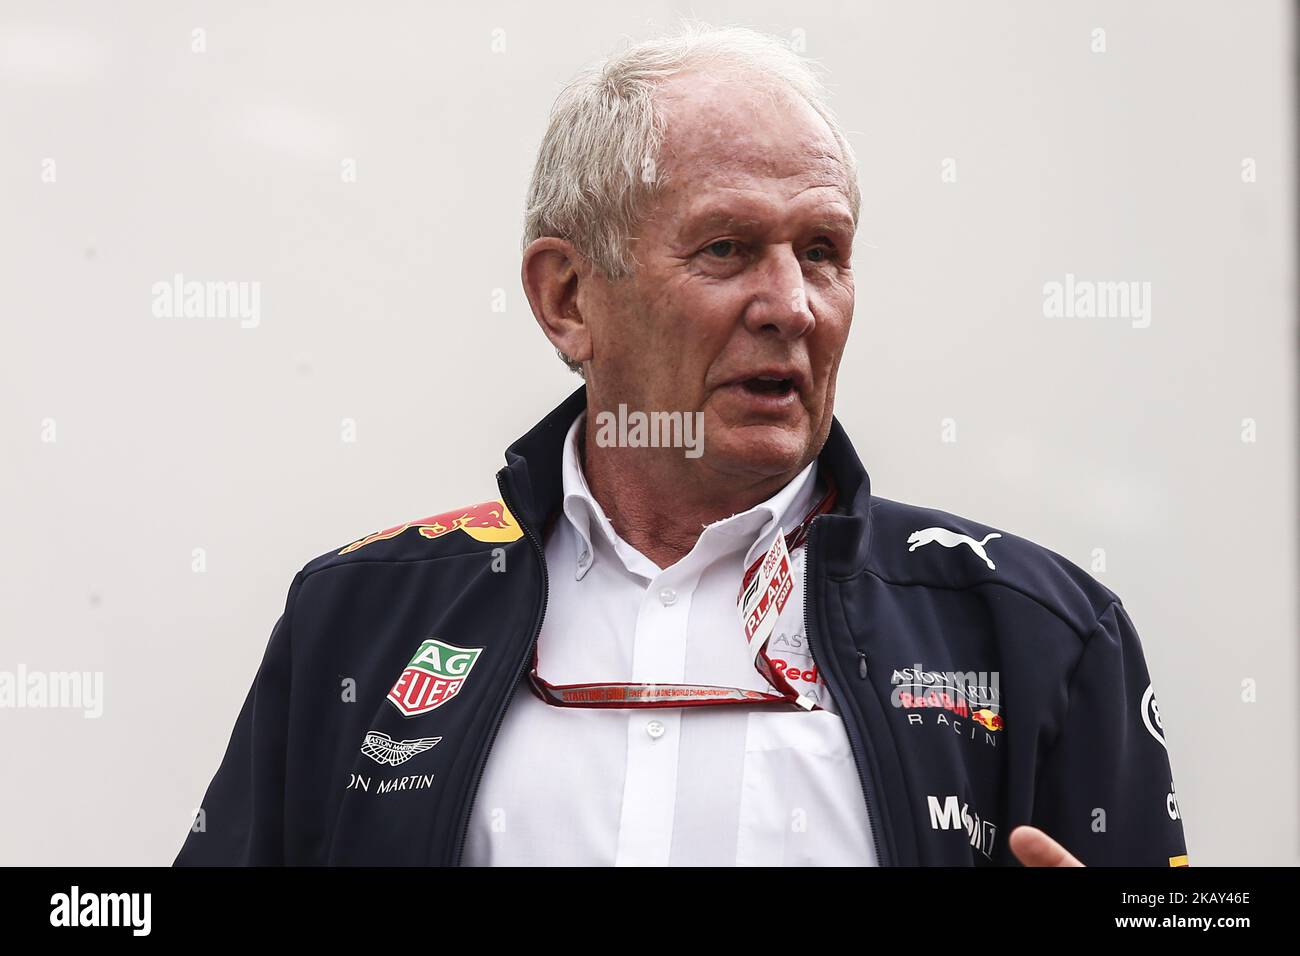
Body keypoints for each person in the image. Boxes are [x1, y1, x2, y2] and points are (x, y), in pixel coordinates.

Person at [176, 23, 1187, 867]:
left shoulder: (1031, 629)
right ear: (568, 297)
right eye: (726, 248)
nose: (791, 305)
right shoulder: (358, 616)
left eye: (823, 252)